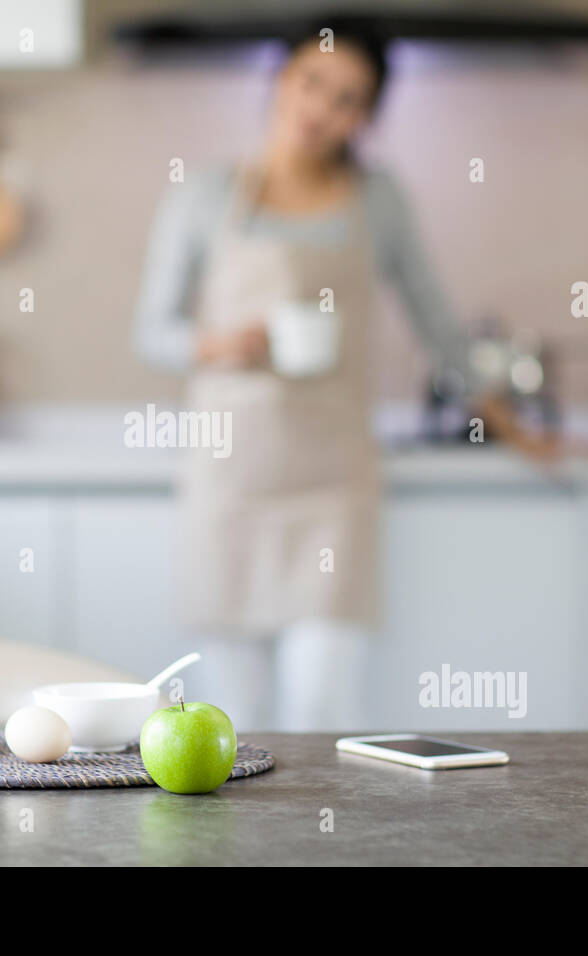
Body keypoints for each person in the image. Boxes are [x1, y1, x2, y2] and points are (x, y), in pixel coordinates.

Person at [133, 26, 557, 731]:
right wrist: (215, 344)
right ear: (280, 80)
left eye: (347, 98)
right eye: (311, 82)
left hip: (333, 484)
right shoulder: (205, 196)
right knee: (229, 720)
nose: (321, 108)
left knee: (325, 710)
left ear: (365, 119)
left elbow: (437, 324)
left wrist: (510, 425)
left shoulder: (379, 199)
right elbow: (152, 330)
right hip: (229, 482)